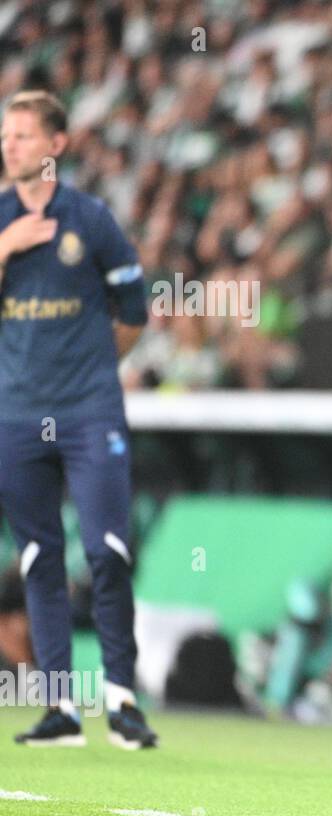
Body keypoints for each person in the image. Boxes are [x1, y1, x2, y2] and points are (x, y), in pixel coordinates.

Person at [0, 91, 157, 749]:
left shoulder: (91, 220)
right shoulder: (0, 221)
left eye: (24, 135)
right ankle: (60, 705)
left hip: (90, 414)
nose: (10, 146)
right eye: (5, 136)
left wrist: (90, 372)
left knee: (107, 552)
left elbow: (134, 311)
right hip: (15, 414)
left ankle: (121, 698)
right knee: (38, 556)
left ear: (56, 146)